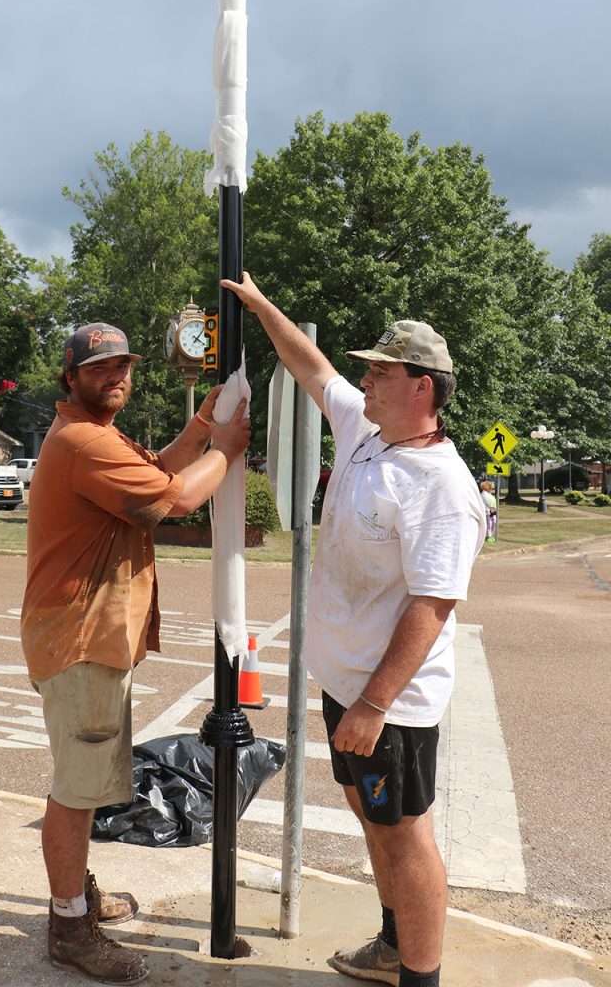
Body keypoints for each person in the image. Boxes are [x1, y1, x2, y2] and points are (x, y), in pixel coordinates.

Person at [221, 274, 485, 987]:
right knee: (374, 821)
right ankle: (395, 945)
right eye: (367, 369)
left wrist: (373, 705)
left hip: (387, 702)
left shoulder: (442, 487)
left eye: (382, 371)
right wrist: (258, 303)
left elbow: (432, 605)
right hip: (348, 685)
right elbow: (313, 367)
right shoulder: (368, 431)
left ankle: (419, 976)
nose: (366, 379)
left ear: (423, 387)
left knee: (405, 836)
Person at [23, 321, 250, 984]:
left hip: (84, 637)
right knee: (76, 790)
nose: (115, 376)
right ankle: (69, 926)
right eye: (99, 368)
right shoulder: (83, 441)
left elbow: (155, 471)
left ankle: (75, 897)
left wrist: (202, 431)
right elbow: (174, 498)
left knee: (85, 782)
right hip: (80, 640)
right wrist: (227, 450)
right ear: (71, 377)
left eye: (122, 365)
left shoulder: (95, 437)